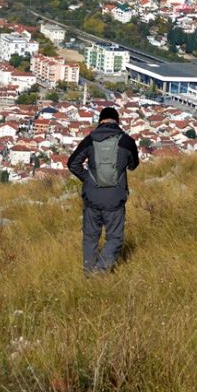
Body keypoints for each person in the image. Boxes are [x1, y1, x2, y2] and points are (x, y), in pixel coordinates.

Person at [67, 106, 140, 275]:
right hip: (115, 199)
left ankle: (88, 273)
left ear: (100, 120)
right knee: (114, 238)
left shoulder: (90, 139)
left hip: (92, 198)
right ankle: (100, 273)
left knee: (90, 237)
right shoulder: (127, 141)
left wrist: (88, 179)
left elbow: (73, 163)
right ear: (117, 121)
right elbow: (133, 166)